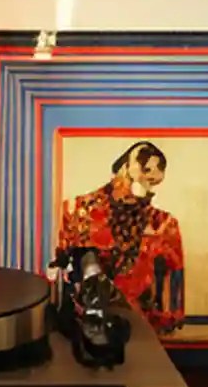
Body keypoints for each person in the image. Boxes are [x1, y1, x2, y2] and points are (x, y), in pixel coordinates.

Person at [56, 140, 185, 335]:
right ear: (122, 167)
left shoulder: (164, 225)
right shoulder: (77, 210)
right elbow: (63, 270)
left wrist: (169, 317)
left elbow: (173, 280)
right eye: (142, 168)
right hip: (85, 328)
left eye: (152, 179)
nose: (144, 181)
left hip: (139, 329)